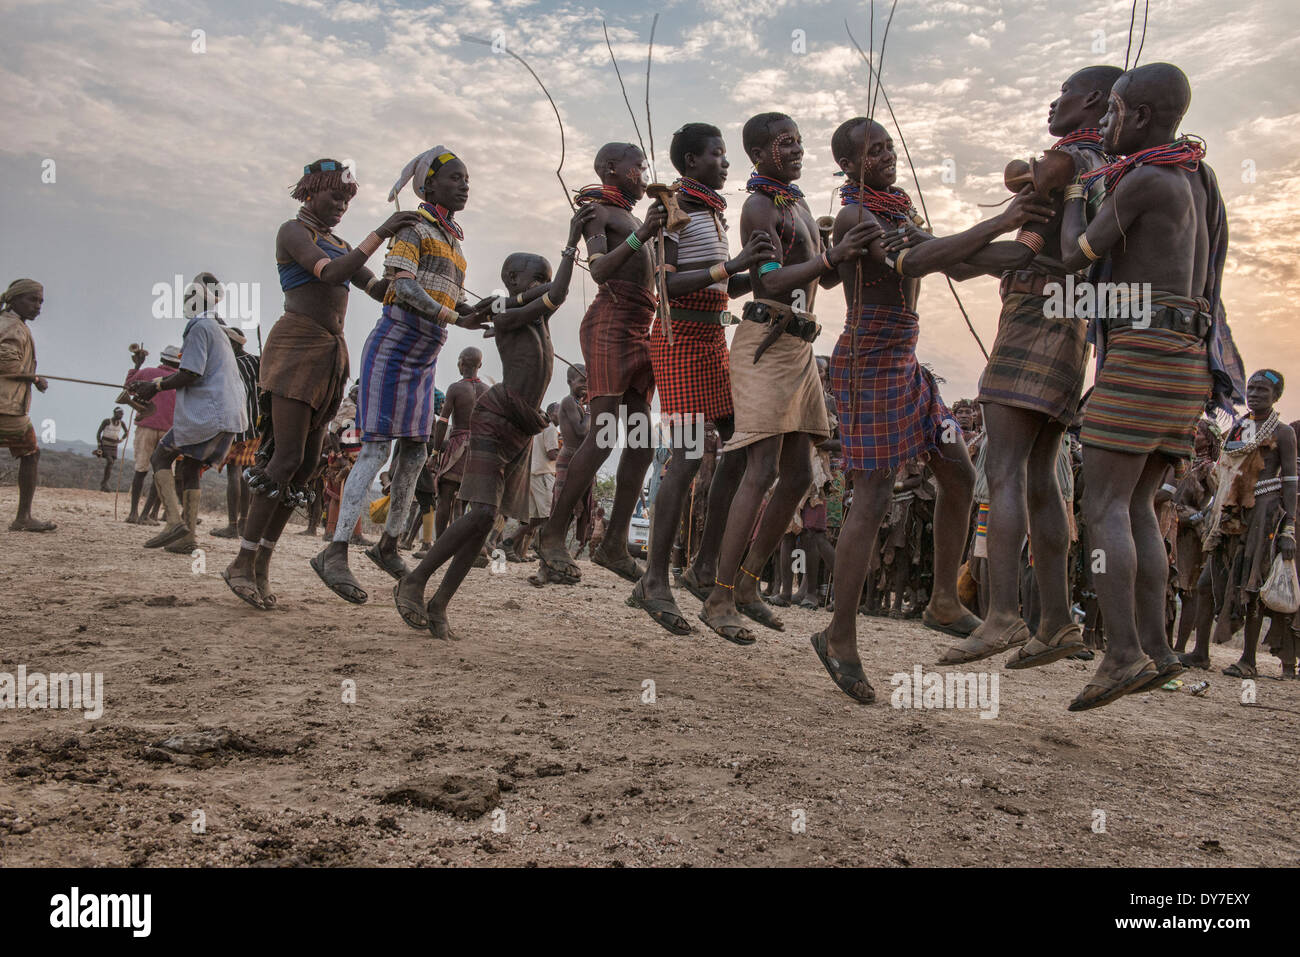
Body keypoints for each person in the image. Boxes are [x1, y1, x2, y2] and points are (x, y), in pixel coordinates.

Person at [809, 115, 1051, 701]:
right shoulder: (854, 216)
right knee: (869, 496)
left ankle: (944, 600)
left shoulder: (900, 213)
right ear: (846, 166)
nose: (886, 158)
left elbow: (962, 263)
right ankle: (839, 635)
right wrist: (1004, 219)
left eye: (888, 147)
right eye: (871, 153)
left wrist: (1037, 243)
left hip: (906, 363)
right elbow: (916, 265)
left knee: (959, 472)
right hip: (868, 361)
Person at [1057, 62, 1237, 710]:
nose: (1101, 124)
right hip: (1187, 357)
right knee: (1135, 506)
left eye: (1110, 114)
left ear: (1136, 117)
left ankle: (1123, 653)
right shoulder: (1198, 178)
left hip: (1142, 353)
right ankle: (1156, 649)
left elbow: (1077, 253)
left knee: (1103, 504)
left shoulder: (1143, 180)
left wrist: (1079, 194)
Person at [940, 67, 1123, 668]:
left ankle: (1001, 617)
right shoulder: (1107, 163)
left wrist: (945, 249)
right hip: (1071, 324)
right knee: (1041, 475)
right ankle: (1055, 622)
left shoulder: (1071, 161)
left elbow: (1025, 225)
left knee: (1007, 465)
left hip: (1035, 314)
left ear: (1093, 101)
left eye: (1065, 93)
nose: (1054, 101)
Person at [698, 113, 881, 646]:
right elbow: (768, 281)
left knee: (799, 476)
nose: (797, 150)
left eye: (800, 142)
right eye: (785, 144)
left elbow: (815, 271)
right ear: (757, 153)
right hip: (767, 344)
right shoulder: (759, 206)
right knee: (760, 471)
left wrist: (837, 255)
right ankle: (718, 596)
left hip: (799, 344)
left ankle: (750, 583)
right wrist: (831, 255)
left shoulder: (795, 201)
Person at [222, 158, 418, 608]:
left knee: (306, 464)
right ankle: (241, 562)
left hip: (330, 353)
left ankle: (261, 563)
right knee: (285, 455)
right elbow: (330, 273)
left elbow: (377, 288)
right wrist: (383, 232)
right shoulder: (294, 233)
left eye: (347, 201)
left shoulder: (341, 242)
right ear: (311, 193)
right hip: (297, 348)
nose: (341, 207)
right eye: (335, 198)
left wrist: (417, 279)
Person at [393, 207, 589, 638]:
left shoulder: (535, 316)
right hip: (495, 417)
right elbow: (556, 292)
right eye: (533, 280)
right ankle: (414, 580)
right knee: (480, 511)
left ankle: (439, 602)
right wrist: (572, 243)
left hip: (518, 426)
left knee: (484, 520)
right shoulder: (505, 311)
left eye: (542, 280)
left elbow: (551, 297)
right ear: (514, 282)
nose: (540, 288)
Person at [628, 122, 775, 634]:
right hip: (677, 340)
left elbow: (718, 285)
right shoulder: (671, 209)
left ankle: (705, 567)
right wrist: (731, 265)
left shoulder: (711, 211)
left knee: (739, 443)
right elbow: (666, 285)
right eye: (716, 154)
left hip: (712, 339)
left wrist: (751, 271)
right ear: (691, 161)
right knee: (689, 454)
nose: (726, 162)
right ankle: (654, 579)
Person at [314, 148, 474, 602]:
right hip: (394, 348)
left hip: (425, 354)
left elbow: (446, 297)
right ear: (427, 187)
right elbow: (401, 285)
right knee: (376, 448)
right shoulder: (413, 228)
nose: (464, 185)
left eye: (467, 179)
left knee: (416, 450)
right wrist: (454, 315)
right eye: (455, 179)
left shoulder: (454, 244)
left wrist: (474, 312)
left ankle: (388, 545)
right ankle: (336, 549)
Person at [534, 143, 667, 584]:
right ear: (612, 168)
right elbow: (600, 271)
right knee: (606, 432)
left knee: (644, 439)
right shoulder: (598, 214)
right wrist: (644, 234)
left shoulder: (631, 216)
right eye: (637, 165)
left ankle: (613, 542)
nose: (643, 171)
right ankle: (552, 536)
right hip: (609, 322)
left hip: (638, 325)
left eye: (644, 165)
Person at [1182, 371, 1296, 677]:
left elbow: (1289, 483)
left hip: (1263, 516)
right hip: (1229, 515)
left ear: (1276, 396)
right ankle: (1200, 653)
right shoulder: (1238, 428)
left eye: (1263, 390)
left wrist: (1288, 529)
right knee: (1207, 584)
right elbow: (1227, 469)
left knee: (1252, 587)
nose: (1255, 394)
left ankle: (1249, 661)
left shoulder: (1283, 433)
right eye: (1251, 388)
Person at [128, 275, 248, 555]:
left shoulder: (199, 327)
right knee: (191, 467)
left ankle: (173, 523)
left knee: (160, 457)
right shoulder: (218, 329)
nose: (184, 303)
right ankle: (188, 536)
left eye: (186, 298)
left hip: (209, 413)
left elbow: (191, 372)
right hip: (229, 414)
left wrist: (154, 386)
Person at [0, 279, 55, 532]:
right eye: (32, 300)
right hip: (6, 408)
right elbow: (6, 364)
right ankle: (23, 517)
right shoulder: (14, 327)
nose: (38, 306)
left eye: (40, 301)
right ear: (13, 299)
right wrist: (34, 378)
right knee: (31, 454)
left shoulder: (11, 323)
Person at [432, 347, 489, 537]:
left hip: (457, 447)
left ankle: (439, 545)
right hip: (479, 450)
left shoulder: (456, 388)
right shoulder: (487, 391)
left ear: (461, 363)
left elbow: (442, 422)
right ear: (479, 365)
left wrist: (434, 453)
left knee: (445, 499)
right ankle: (461, 544)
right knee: (465, 501)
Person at [211, 324, 261, 538]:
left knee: (235, 472)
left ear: (231, 344)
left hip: (238, 425)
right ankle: (243, 523)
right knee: (246, 474)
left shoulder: (230, 366)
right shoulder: (257, 361)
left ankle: (232, 525)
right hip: (258, 426)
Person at [124, 343, 180, 524]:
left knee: (140, 469)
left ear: (162, 358)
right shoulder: (180, 379)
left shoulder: (147, 372)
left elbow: (128, 387)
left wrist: (137, 366)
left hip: (146, 426)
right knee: (161, 472)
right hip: (169, 430)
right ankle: (146, 515)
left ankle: (133, 513)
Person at [514, 401, 560, 561]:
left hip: (533, 473)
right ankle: (544, 548)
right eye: (560, 412)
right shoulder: (551, 428)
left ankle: (514, 548)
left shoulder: (538, 428)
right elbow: (552, 454)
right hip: (544, 474)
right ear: (552, 413)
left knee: (532, 517)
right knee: (547, 516)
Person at [94, 407, 129, 492]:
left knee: (110, 464)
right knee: (110, 461)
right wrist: (99, 445)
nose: (121, 415)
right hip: (105, 444)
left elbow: (126, 432)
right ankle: (104, 483)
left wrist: (121, 439)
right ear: (114, 413)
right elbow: (99, 433)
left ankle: (104, 484)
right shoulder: (107, 421)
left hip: (114, 446)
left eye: (122, 414)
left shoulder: (122, 423)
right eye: (120, 413)